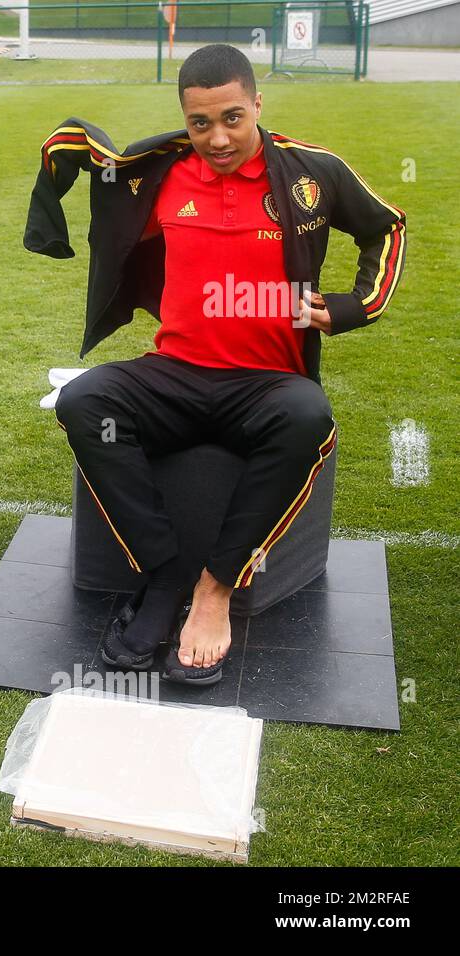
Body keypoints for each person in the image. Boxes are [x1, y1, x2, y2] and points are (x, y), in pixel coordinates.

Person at [26, 45, 405, 685]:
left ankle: (214, 587)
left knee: (308, 415)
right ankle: (165, 573)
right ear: (184, 117)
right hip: (175, 372)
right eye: (200, 122)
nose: (217, 137)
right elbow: (88, 155)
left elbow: (386, 228)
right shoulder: (162, 170)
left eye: (233, 117)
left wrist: (347, 307)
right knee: (84, 402)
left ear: (257, 104)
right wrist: (61, 176)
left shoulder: (311, 174)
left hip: (268, 385)